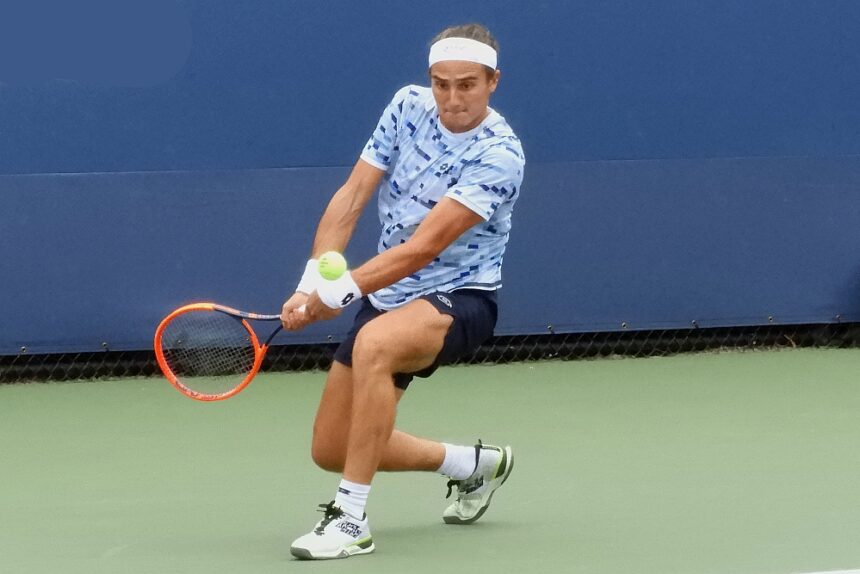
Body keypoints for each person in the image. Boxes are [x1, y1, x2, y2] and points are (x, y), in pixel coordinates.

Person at [280, 22, 525, 560]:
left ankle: (350, 520)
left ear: (493, 82)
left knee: (374, 346)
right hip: (388, 293)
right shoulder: (407, 106)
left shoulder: (500, 154)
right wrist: (314, 280)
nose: (452, 97)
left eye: (467, 84)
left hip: (460, 298)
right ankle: (474, 465)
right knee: (331, 447)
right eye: (442, 83)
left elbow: (422, 248)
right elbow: (353, 195)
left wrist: (339, 296)